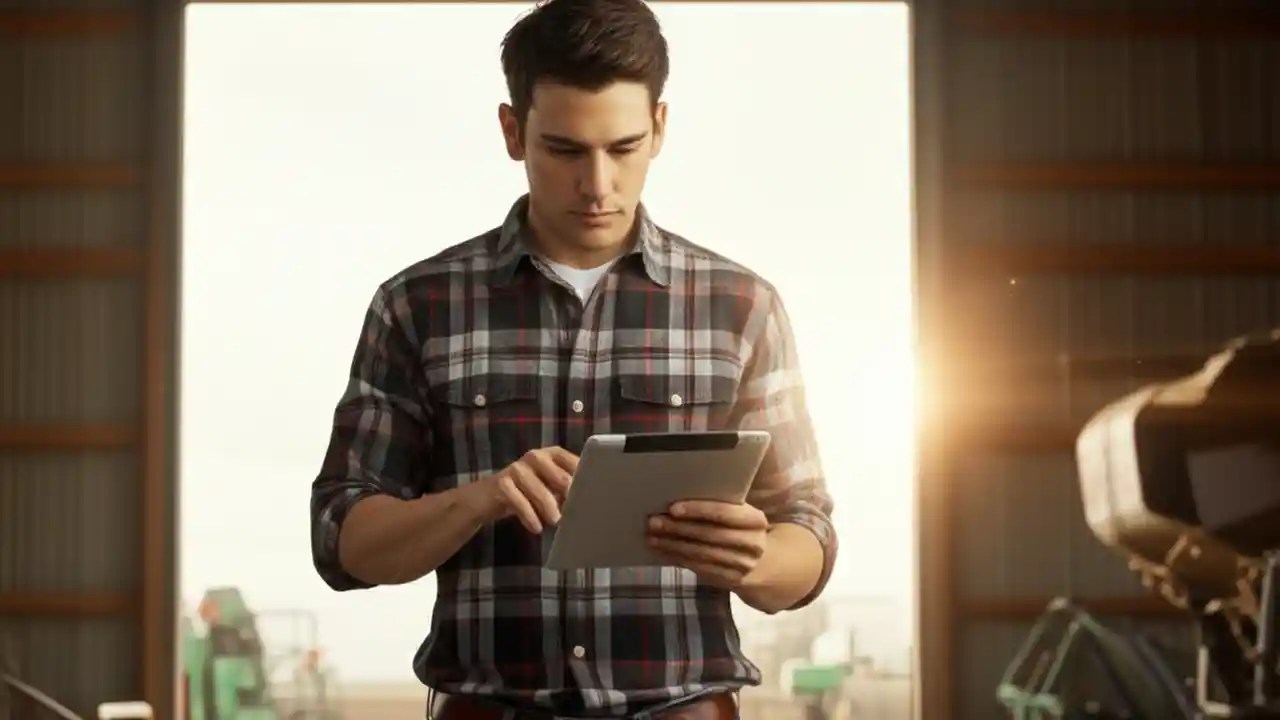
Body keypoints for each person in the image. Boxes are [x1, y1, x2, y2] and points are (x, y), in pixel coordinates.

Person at [309, 0, 837, 718]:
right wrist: (481, 499)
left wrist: (758, 559)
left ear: (659, 128)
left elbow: (806, 535)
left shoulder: (743, 306)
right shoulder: (416, 305)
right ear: (510, 131)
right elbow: (344, 540)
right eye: (564, 151)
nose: (597, 186)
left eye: (622, 149)